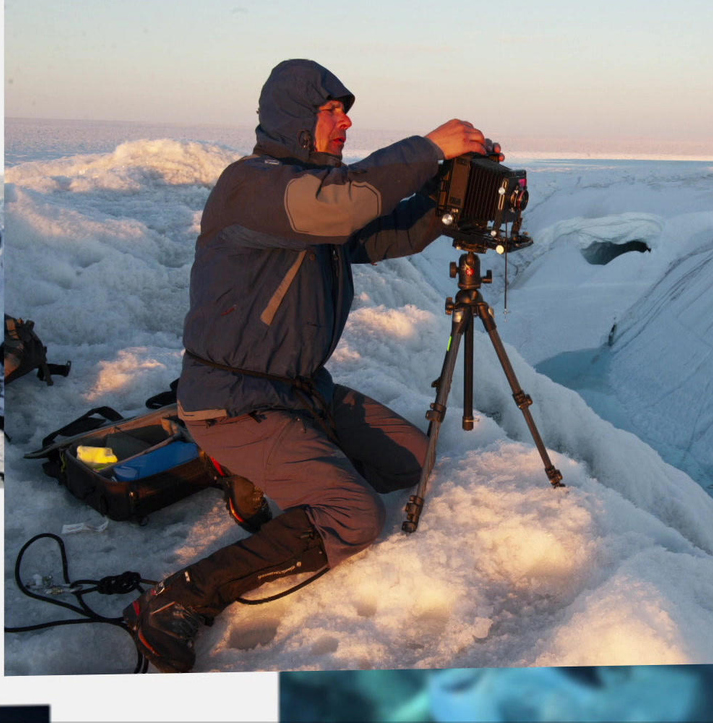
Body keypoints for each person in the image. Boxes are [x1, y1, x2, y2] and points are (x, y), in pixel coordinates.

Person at [124, 59, 499, 672]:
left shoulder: (311, 194)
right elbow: (340, 209)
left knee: (411, 459)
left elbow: (382, 236)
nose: (346, 120)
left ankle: (267, 469)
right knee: (354, 517)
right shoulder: (255, 185)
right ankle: (179, 600)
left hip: (300, 391)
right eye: (332, 110)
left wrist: (446, 194)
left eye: (346, 110)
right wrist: (428, 148)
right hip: (235, 400)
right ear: (297, 118)